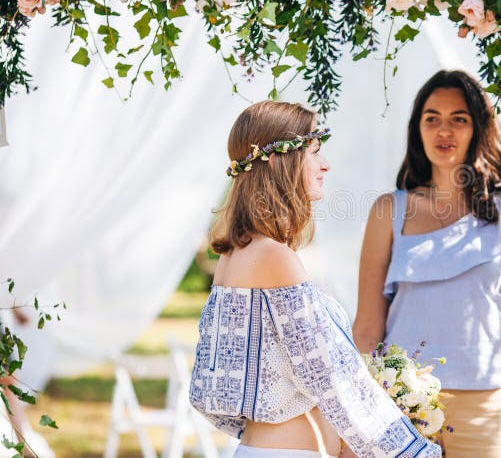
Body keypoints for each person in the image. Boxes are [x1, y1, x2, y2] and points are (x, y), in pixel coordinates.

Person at [188, 101, 441, 458]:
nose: (325, 165)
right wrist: (410, 451)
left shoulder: (240, 254)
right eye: (314, 153)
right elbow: (331, 376)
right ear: (278, 162)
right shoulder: (274, 257)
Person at [353, 70, 501, 457]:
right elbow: (366, 328)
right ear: (418, 129)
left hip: (491, 410)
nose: (444, 130)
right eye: (432, 119)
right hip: (399, 411)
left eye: (458, 119)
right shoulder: (387, 212)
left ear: (479, 128)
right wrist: (356, 417)